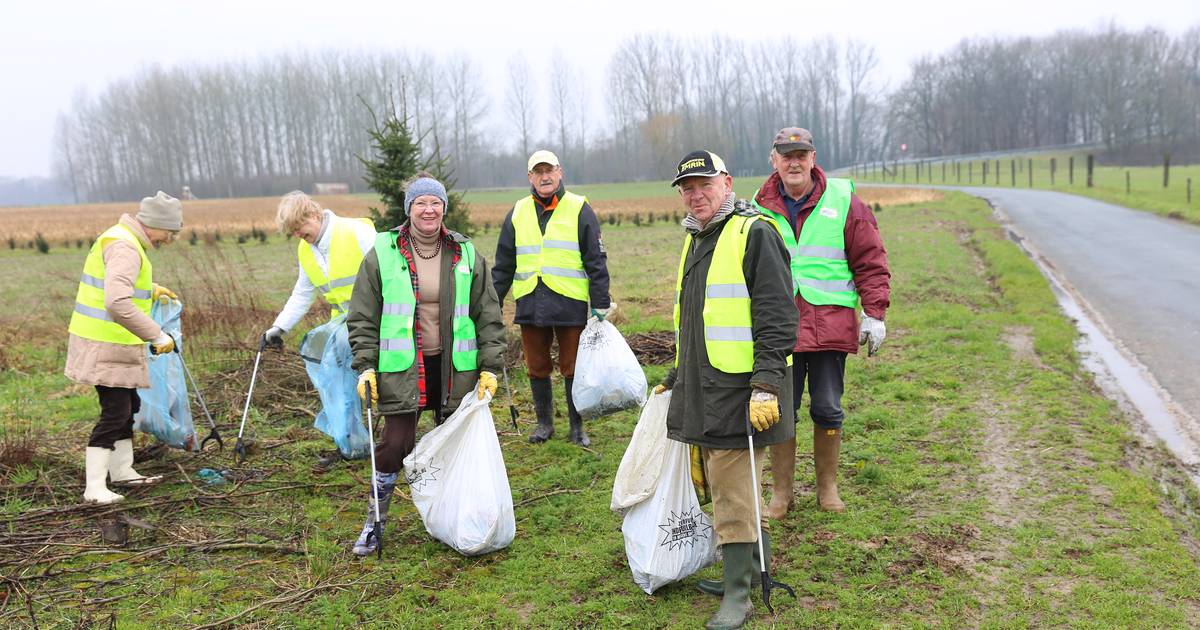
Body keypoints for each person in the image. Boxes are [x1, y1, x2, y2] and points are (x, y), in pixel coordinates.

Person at [656, 151, 796, 629]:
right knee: (723, 484)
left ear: (728, 183)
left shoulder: (754, 232)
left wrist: (766, 386)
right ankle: (752, 569)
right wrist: (677, 376)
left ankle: (738, 595)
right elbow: (696, 320)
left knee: (733, 490)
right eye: (687, 188)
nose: (696, 195)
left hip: (743, 392)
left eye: (704, 185)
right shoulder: (697, 238)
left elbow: (778, 318)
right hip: (703, 386)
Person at [346, 173, 505, 556]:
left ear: (444, 209)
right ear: (409, 209)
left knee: (454, 445)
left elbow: (489, 313)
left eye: (435, 203)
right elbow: (363, 316)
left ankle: (457, 518)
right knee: (394, 445)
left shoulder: (465, 253)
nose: (428, 209)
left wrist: (490, 367)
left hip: (455, 368)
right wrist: (366, 366)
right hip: (403, 369)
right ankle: (375, 522)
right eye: (421, 203)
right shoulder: (383, 252)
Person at [751, 127, 891, 516]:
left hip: (829, 326)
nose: (794, 162)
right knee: (781, 412)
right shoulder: (756, 207)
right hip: (780, 331)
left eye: (802, 154)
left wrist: (874, 312)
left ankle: (827, 490)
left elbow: (871, 259)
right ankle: (782, 494)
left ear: (813, 158)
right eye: (786, 154)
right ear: (773, 159)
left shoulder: (844, 199)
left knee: (828, 409)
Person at [65, 191, 183, 504]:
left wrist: (152, 290)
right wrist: (157, 335)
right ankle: (94, 488)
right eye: (170, 233)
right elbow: (116, 302)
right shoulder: (126, 246)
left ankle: (122, 472)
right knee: (115, 412)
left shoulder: (124, 239)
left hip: (115, 343)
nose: (170, 240)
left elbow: (116, 283)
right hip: (105, 343)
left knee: (129, 407)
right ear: (155, 225)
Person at [491, 150, 611, 447]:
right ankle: (544, 424)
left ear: (560, 172)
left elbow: (595, 259)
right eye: (538, 171)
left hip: (568, 300)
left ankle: (576, 426)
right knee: (536, 365)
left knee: (573, 366)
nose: (545, 176)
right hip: (531, 300)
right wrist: (491, 301)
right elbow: (504, 263)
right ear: (530, 177)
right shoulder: (517, 212)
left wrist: (600, 302)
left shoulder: (579, 207)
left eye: (550, 170)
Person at [264, 191, 376, 470]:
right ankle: (352, 444)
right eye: (293, 233)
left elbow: (390, 275)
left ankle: (394, 441)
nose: (298, 236)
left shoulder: (356, 232)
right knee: (337, 378)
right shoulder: (308, 249)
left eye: (299, 229)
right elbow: (302, 293)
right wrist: (278, 328)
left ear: (313, 214)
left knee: (375, 381)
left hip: (378, 319)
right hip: (343, 325)